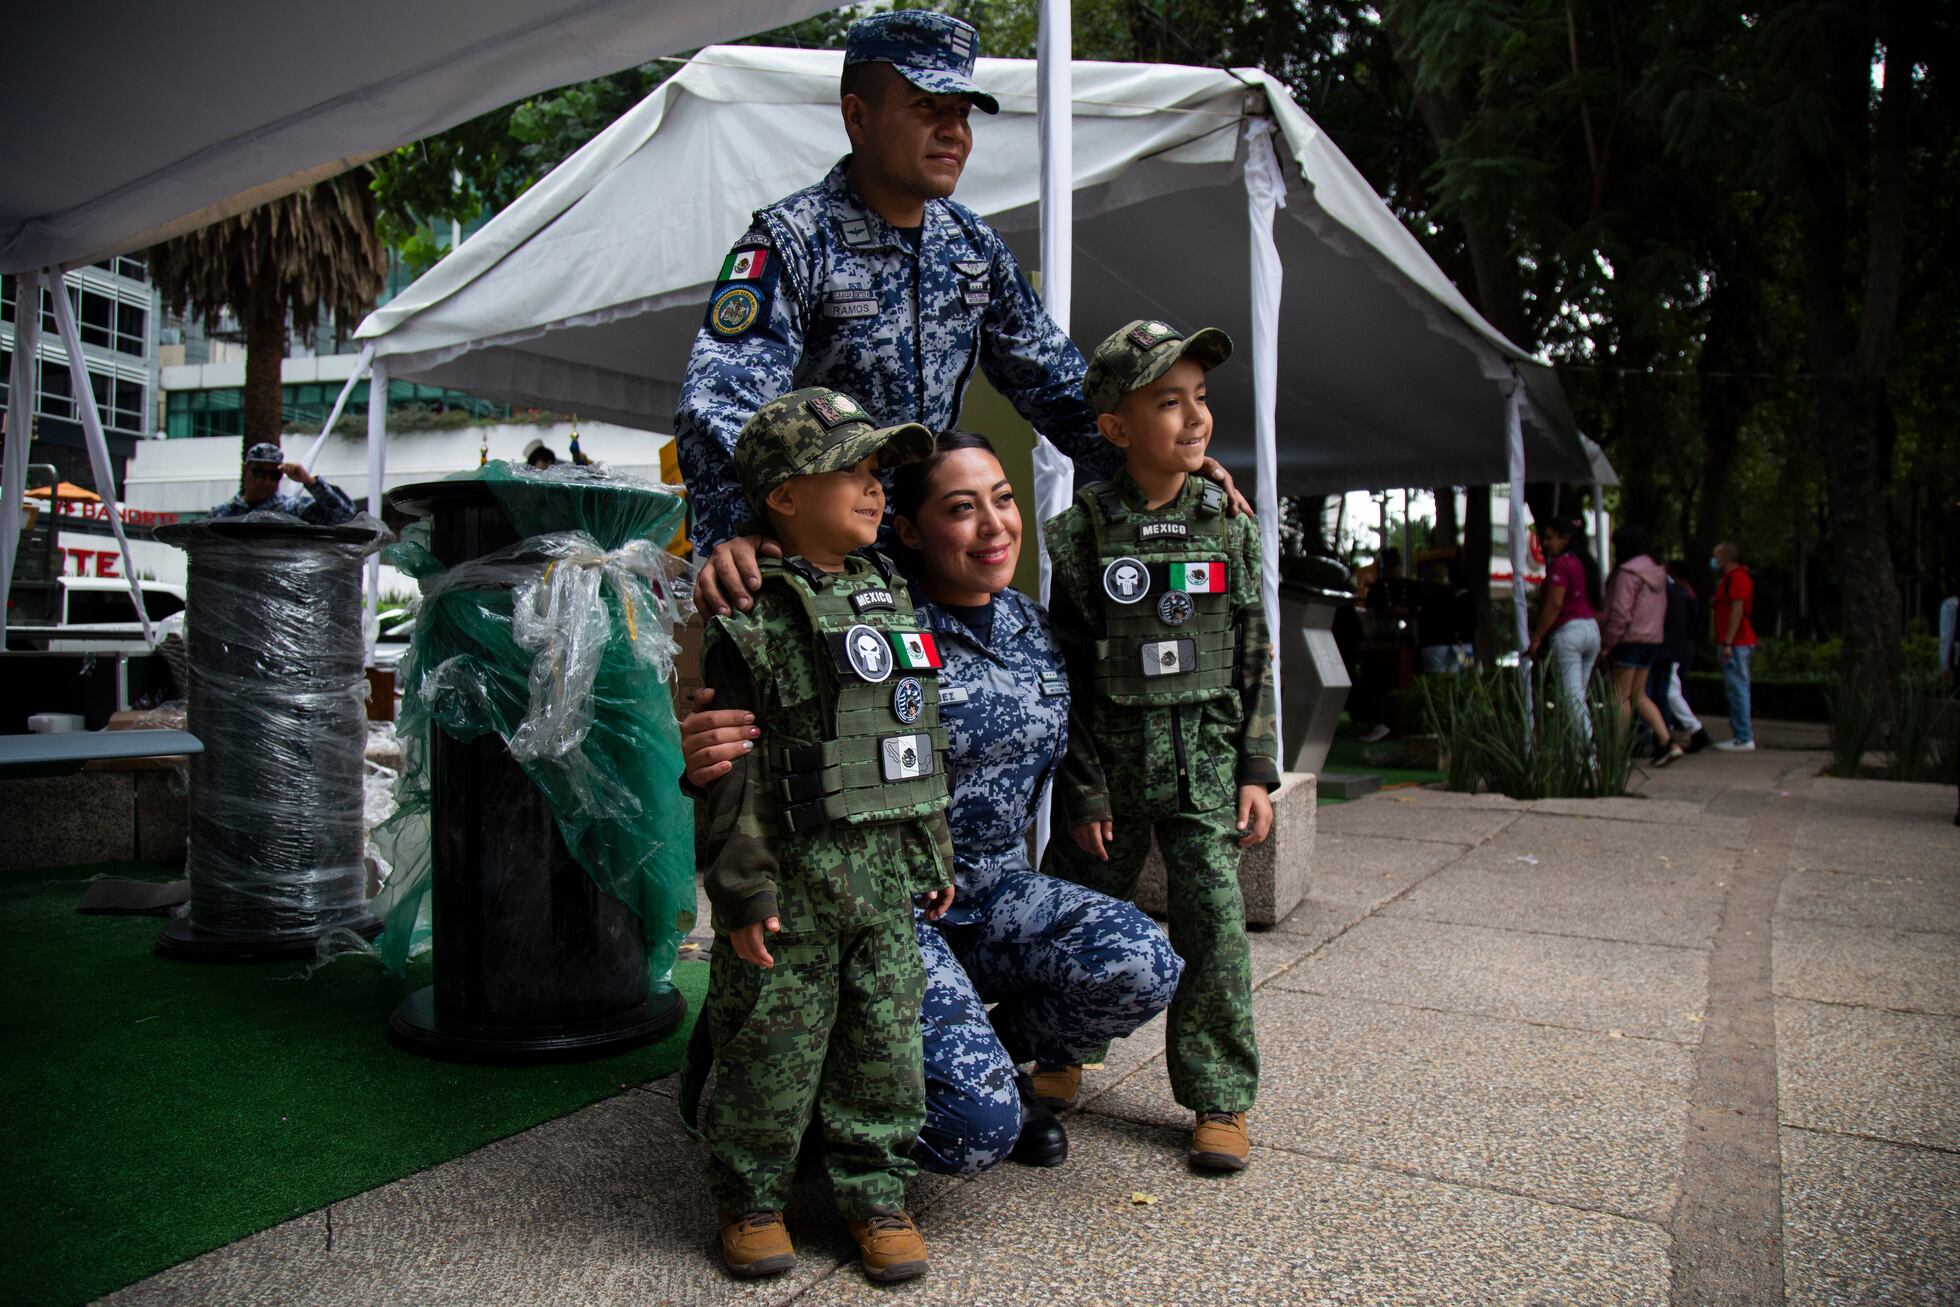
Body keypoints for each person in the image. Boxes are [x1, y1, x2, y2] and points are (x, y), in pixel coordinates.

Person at [681, 433, 1183, 1179]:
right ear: (909, 530)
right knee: (974, 1133)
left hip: (995, 893)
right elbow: (768, 730)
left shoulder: (1032, 627)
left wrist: (1187, 466)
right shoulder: (866, 619)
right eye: (960, 508)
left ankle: (984, 1063)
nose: (995, 525)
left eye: (1003, 500)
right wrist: (708, 747)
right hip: (889, 907)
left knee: (1142, 962)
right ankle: (805, 1084)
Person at [673, 9, 1247, 618]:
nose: (954, 132)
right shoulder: (791, 243)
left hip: (935, 558)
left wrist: (1152, 467)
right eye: (927, 108)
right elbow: (720, 404)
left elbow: (1056, 385)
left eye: (962, 113)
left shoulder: (973, 249)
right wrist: (734, 527)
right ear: (857, 117)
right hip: (819, 569)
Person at [680, 387, 954, 1284]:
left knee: (886, 1044)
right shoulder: (749, 610)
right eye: (855, 471)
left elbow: (912, 735)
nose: (877, 489)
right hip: (793, 877)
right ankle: (750, 1196)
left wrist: (932, 848)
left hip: (881, 878)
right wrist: (744, 891)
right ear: (785, 495)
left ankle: (877, 1193)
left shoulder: (889, 596)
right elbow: (732, 771)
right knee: (769, 1040)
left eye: (880, 473)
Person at [1041, 319, 1277, 1172]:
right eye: (1166, 402)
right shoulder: (1078, 536)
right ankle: (1061, 1049)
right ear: (1113, 429)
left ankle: (1219, 1096)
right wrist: (1083, 788)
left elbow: (1254, 654)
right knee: (1080, 909)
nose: (1194, 418)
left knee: (1214, 923)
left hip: (1205, 766)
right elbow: (1062, 673)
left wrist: (1256, 769)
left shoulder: (1231, 525)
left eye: (1201, 399)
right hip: (1111, 763)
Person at [1601, 525, 1679, 764]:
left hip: (1629, 639)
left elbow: (1620, 612)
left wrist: (1608, 643)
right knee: (1638, 695)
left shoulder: (1628, 572)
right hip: (1652, 641)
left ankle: (1618, 752)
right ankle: (1667, 742)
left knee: (1619, 697)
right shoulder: (1657, 572)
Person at [1525, 516, 1602, 733]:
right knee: (1578, 696)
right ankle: (1573, 756)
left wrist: (1538, 637)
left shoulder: (1560, 564)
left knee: (1572, 699)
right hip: (1591, 630)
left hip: (1569, 633)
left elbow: (1555, 603)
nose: (1545, 543)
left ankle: (1589, 757)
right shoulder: (1584, 563)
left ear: (1565, 539)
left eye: (1550, 538)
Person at [209, 442, 357, 525]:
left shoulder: (294, 510)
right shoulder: (222, 514)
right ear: (245, 469)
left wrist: (309, 481)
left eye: (274, 475)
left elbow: (345, 516)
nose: (265, 481)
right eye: (259, 472)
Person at [1652, 559, 1712, 754]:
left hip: (1670, 649)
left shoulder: (1673, 592)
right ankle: (1689, 731)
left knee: (1670, 691)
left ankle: (1685, 732)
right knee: (1671, 691)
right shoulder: (1681, 592)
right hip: (1677, 648)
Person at [1710, 541, 1757, 751]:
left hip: (1736, 643)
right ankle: (1741, 735)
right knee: (1735, 688)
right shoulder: (1729, 579)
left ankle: (1744, 737)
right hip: (1734, 642)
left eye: (1717, 556)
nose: (1714, 561)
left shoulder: (1737, 578)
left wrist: (1728, 642)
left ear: (1727, 558)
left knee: (1737, 688)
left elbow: (1737, 611)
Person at [1416, 559, 1473, 675]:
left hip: (1432, 645)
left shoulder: (1427, 600)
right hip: (1456, 646)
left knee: (1435, 679)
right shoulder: (1457, 600)